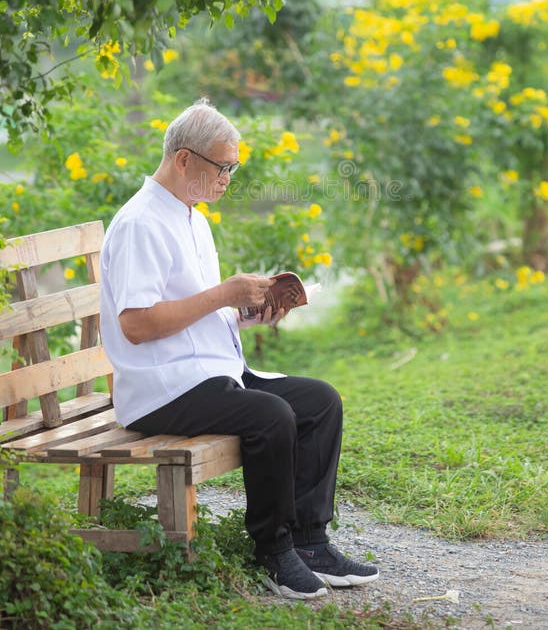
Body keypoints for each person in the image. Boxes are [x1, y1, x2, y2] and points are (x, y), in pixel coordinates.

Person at [100, 100, 379, 599]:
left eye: (234, 166)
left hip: (208, 371)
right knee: (270, 415)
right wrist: (224, 293)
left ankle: (311, 542)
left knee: (320, 401)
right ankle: (273, 552)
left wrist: (243, 312)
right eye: (222, 166)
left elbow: (193, 311)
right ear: (185, 160)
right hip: (162, 386)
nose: (229, 177)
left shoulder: (193, 219)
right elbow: (137, 325)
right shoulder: (140, 223)